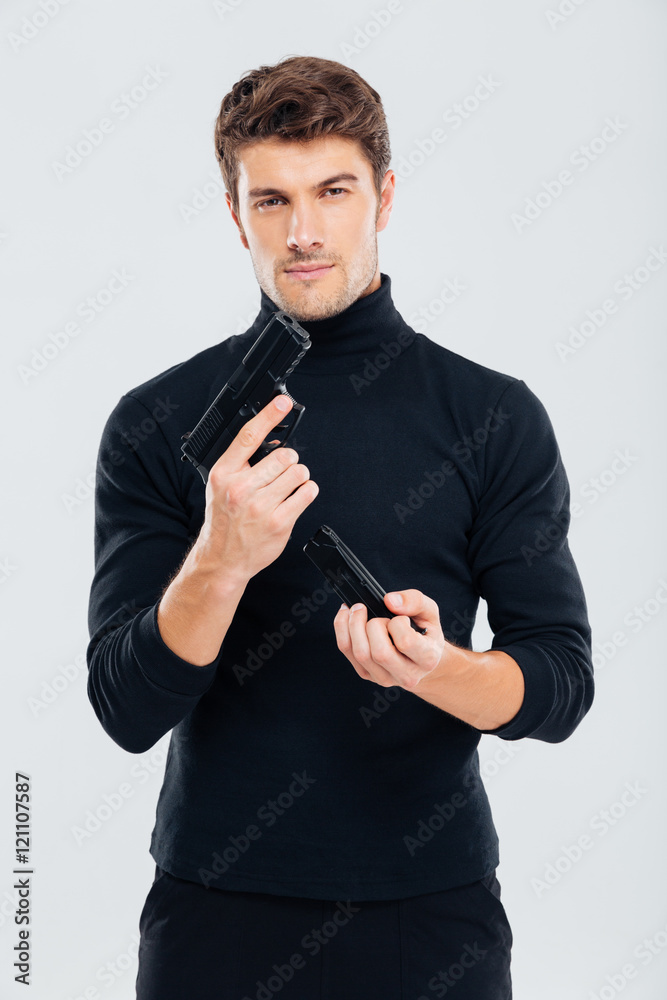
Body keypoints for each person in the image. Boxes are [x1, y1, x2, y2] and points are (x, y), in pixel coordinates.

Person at [86, 54, 594, 1000]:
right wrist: (220, 561)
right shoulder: (156, 421)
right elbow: (124, 708)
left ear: (383, 197)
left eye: (333, 191)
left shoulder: (492, 416)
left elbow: (559, 686)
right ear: (235, 214)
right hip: (214, 916)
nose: (304, 232)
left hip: (430, 919)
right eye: (271, 200)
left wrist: (437, 670)